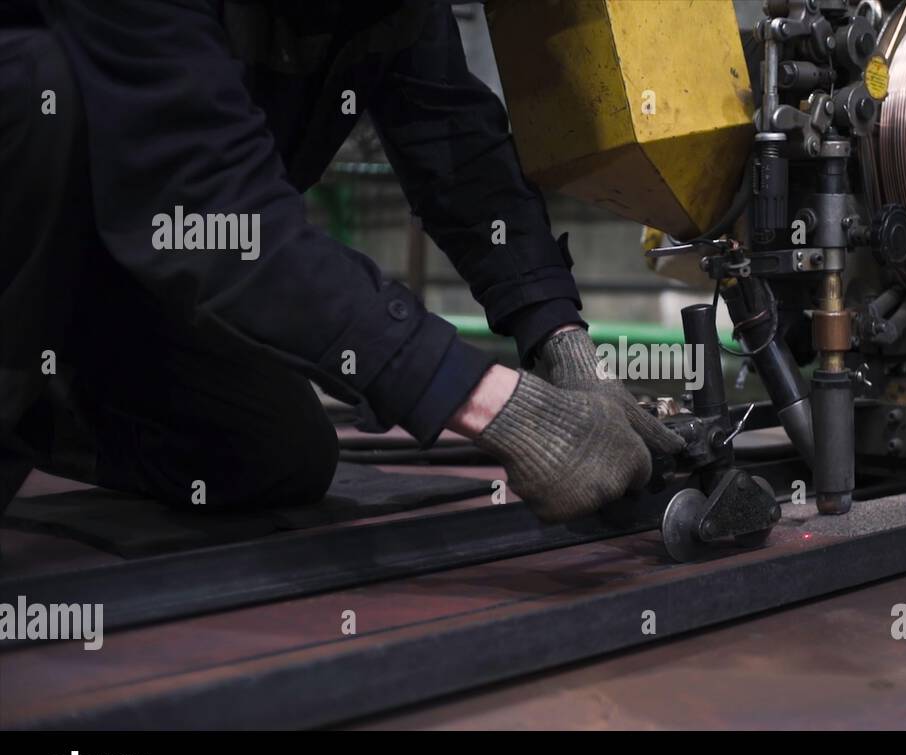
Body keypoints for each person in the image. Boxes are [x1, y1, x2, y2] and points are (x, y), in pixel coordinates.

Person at [0, 0, 683, 521]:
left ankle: (49, 407)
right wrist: (503, 408)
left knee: (271, 454)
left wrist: (562, 341)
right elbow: (212, 209)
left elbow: (459, 152)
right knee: (32, 84)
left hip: (125, 271)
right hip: (44, 226)